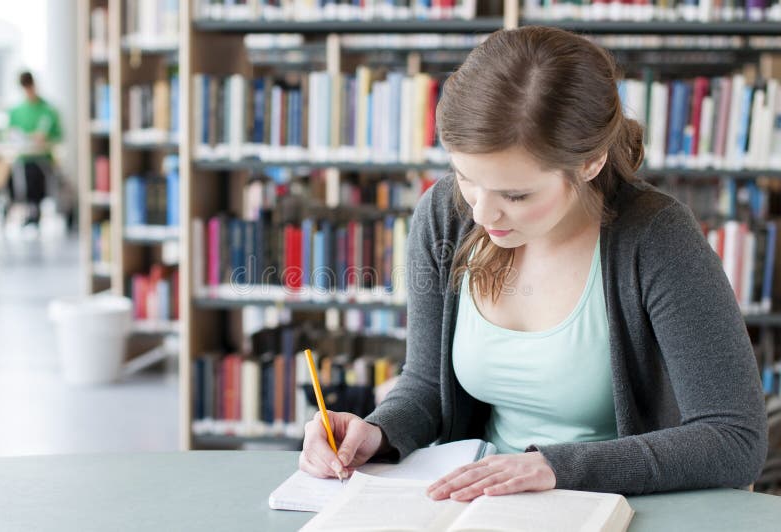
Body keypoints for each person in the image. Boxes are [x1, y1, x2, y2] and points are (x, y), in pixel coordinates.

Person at [299, 26, 769, 499]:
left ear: (590, 163)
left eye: (516, 194)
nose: (482, 214)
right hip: (483, 506)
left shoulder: (657, 238)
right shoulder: (445, 214)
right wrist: (376, 433)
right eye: (466, 177)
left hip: (612, 507)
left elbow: (734, 439)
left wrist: (555, 467)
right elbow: (426, 385)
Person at [7, 71, 62, 225]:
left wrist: (44, 138)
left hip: (41, 159)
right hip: (20, 158)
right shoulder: (15, 111)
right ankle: (11, 208)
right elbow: (9, 134)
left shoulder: (48, 110)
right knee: (6, 175)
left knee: (31, 172)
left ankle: (33, 210)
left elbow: (59, 136)